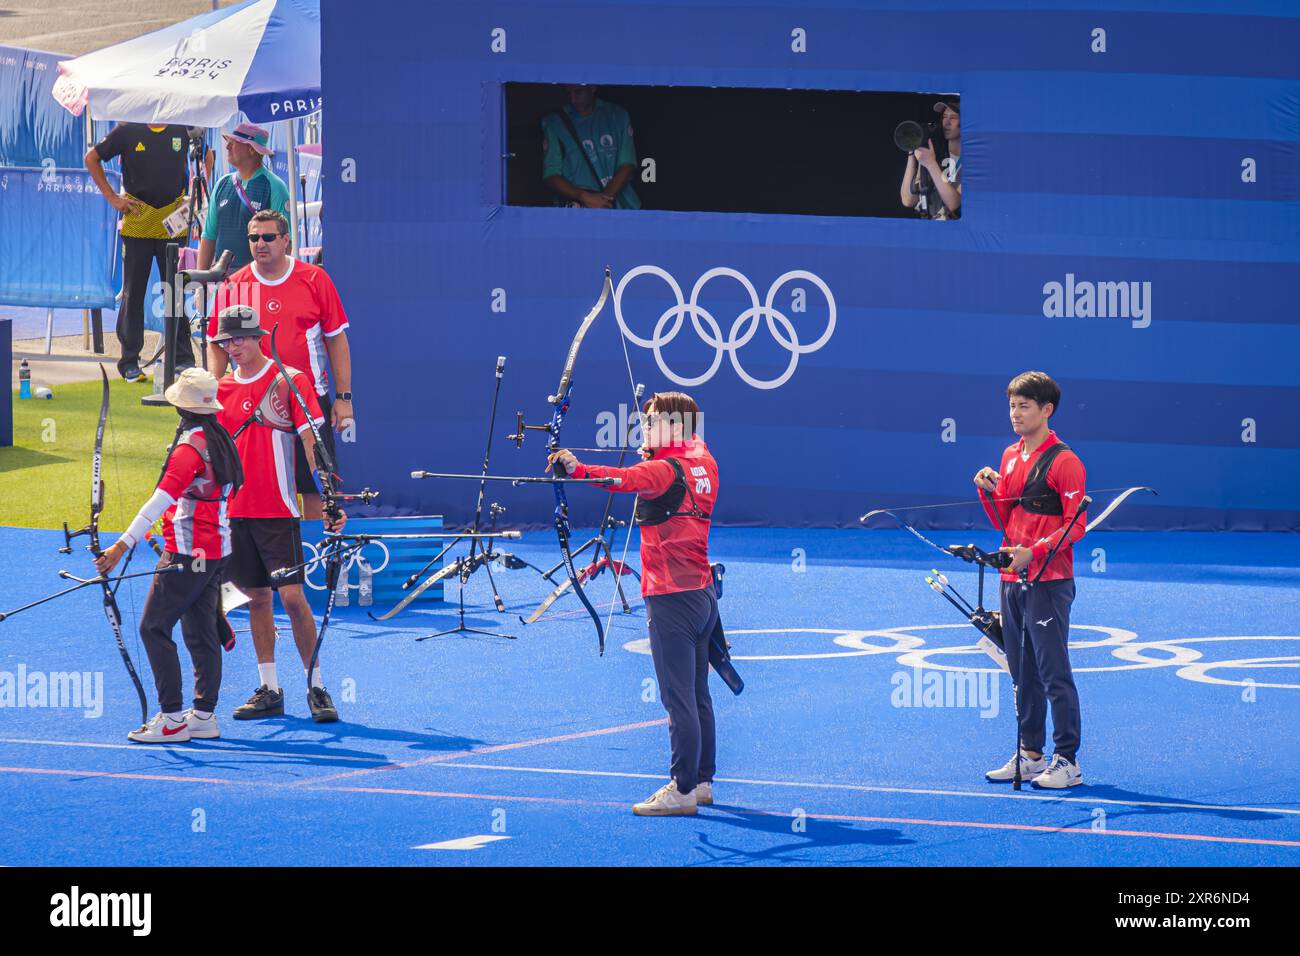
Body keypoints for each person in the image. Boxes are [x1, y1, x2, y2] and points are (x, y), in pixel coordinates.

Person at [549, 392, 721, 816]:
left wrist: (576, 468)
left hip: (670, 599)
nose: (644, 429)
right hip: (702, 596)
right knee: (698, 695)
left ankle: (681, 791)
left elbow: (621, 480)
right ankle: (701, 782)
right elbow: (659, 477)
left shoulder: (663, 469)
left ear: (677, 427)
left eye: (653, 423)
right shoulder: (704, 463)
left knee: (677, 697)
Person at [210, 305, 345, 722]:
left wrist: (328, 500)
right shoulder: (221, 391)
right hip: (237, 513)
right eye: (226, 340)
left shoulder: (291, 380)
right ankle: (270, 688)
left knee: (292, 597)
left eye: (240, 338)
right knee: (256, 598)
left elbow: (312, 445)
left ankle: (316, 686)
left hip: (278, 510)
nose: (233, 347)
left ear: (257, 338)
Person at [93, 368, 243, 743]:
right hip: (216, 551)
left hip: (186, 554)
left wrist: (121, 544)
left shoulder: (189, 449)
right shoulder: (219, 438)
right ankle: (204, 715)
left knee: (153, 627)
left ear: (181, 408)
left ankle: (173, 718)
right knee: (200, 628)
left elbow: (162, 498)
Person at [975, 371, 1087, 789]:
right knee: (1022, 672)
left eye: (1024, 406)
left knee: (1053, 670)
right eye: (1011, 405)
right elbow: (1005, 521)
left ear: (1046, 410)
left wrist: (1033, 552)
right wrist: (990, 492)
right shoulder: (1009, 456)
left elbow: (1076, 527)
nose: (1015, 413)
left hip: (1048, 579)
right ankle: (1032, 755)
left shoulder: (1066, 462)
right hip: (1011, 576)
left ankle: (1068, 760)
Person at [206, 210, 353, 521]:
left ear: (286, 241)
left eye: (269, 237)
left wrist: (344, 398)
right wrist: (213, 394)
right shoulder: (234, 285)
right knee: (253, 488)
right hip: (252, 407)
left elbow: (336, 339)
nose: (261, 243)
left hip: (308, 401)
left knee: (315, 487)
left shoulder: (314, 279)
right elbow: (216, 343)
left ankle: (312, 558)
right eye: (254, 238)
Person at [86, 122, 200, 381]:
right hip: (138, 220)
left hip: (173, 222)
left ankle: (183, 359)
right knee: (133, 292)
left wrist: (192, 197)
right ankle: (129, 362)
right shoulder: (127, 130)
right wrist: (114, 198)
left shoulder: (182, 127)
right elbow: (91, 158)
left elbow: (207, 155)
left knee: (175, 291)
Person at [198, 123, 290, 273]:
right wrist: (199, 284)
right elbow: (209, 236)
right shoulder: (222, 184)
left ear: (251, 150)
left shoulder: (275, 187)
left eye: (233, 143)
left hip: (259, 282)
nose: (227, 147)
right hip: (224, 281)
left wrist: (276, 282)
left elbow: (286, 242)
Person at [541, 84, 641, 209]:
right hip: (578, 209)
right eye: (568, 93)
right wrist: (584, 197)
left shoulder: (617, 115)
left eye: (578, 92)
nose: (572, 99)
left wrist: (602, 201)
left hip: (618, 206)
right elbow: (551, 175)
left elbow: (627, 165)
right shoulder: (554, 122)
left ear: (593, 87)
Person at [900, 101, 961, 220]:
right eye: (944, 117)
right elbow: (908, 200)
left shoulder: (972, 160)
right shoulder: (936, 157)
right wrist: (911, 151)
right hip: (929, 229)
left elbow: (953, 203)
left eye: (953, 118)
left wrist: (931, 164)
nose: (947, 122)